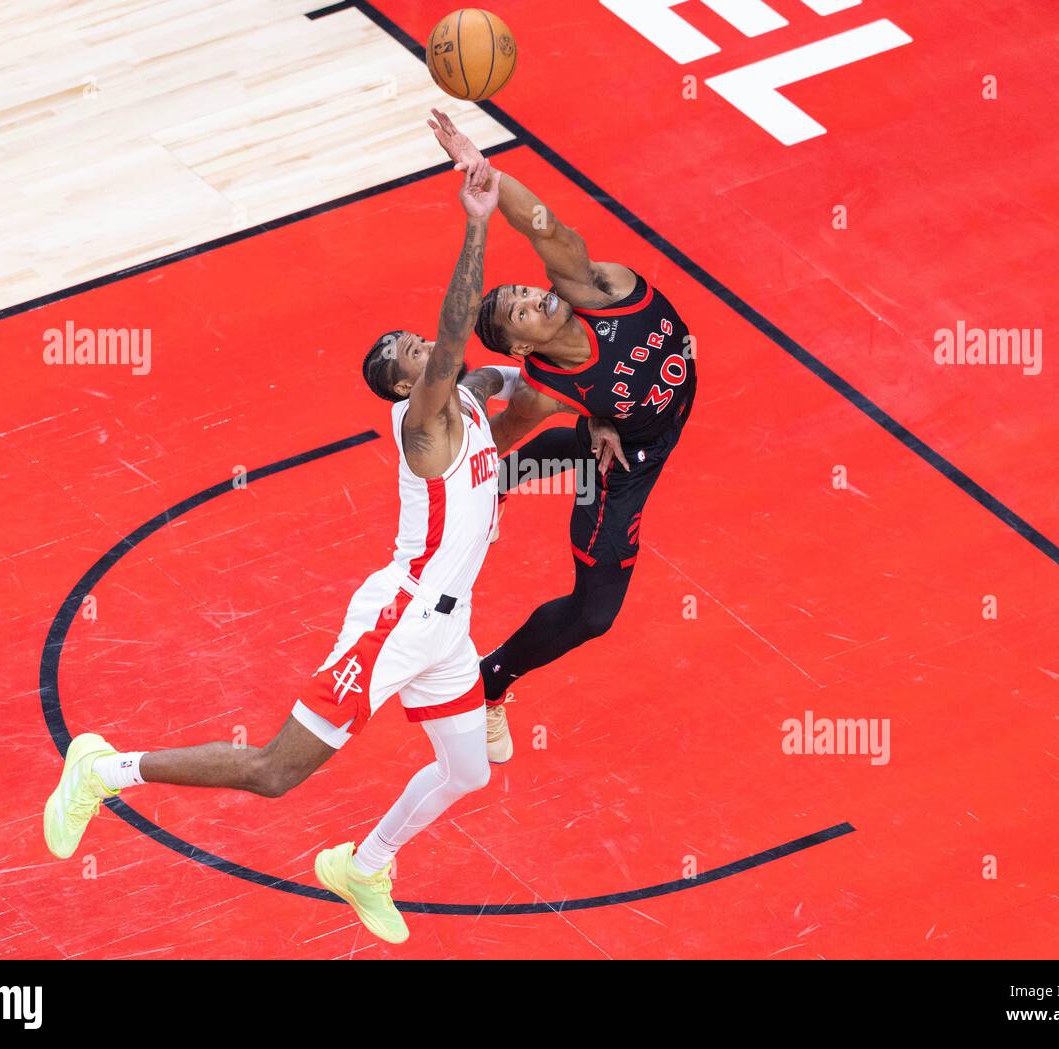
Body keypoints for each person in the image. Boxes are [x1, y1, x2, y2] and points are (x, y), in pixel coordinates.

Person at [44, 161, 506, 946]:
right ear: (403, 390)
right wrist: (477, 223)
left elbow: (493, 376)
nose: (418, 345)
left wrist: (573, 389)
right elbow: (459, 333)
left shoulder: (464, 394)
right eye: (404, 354)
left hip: (448, 632)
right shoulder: (422, 418)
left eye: (411, 339)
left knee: (469, 770)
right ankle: (103, 768)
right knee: (272, 773)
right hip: (398, 618)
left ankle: (364, 864)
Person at [428, 110, 698, 763]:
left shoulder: (596, 286)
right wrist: (464, 482)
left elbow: (540, 221)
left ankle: (535, 468)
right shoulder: (544, 386)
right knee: (594, 614)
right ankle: (491, 680)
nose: (531, 295)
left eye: (524, 287)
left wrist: (483, 170)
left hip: (641, 420)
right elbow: (497, 434)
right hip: (630, 459)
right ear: (522, 345)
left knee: (589, 433)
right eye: (519, 308)